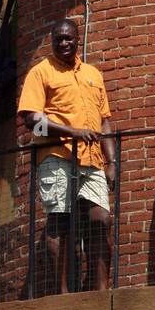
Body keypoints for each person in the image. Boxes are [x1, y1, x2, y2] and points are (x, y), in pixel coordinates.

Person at [18, 18, 116, 293]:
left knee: (101, 219)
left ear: (77, 39)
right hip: (56, 157)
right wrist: (72, 132)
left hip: (92, 159)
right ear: (52, 41)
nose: (63, 43)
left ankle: (101, 291)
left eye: (68, 38)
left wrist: (112, 162)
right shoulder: (41, 72)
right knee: (60, 221)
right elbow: (31, 121)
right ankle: (63, 293)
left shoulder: (92, 74)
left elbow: (104, 121)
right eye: (58, 39)